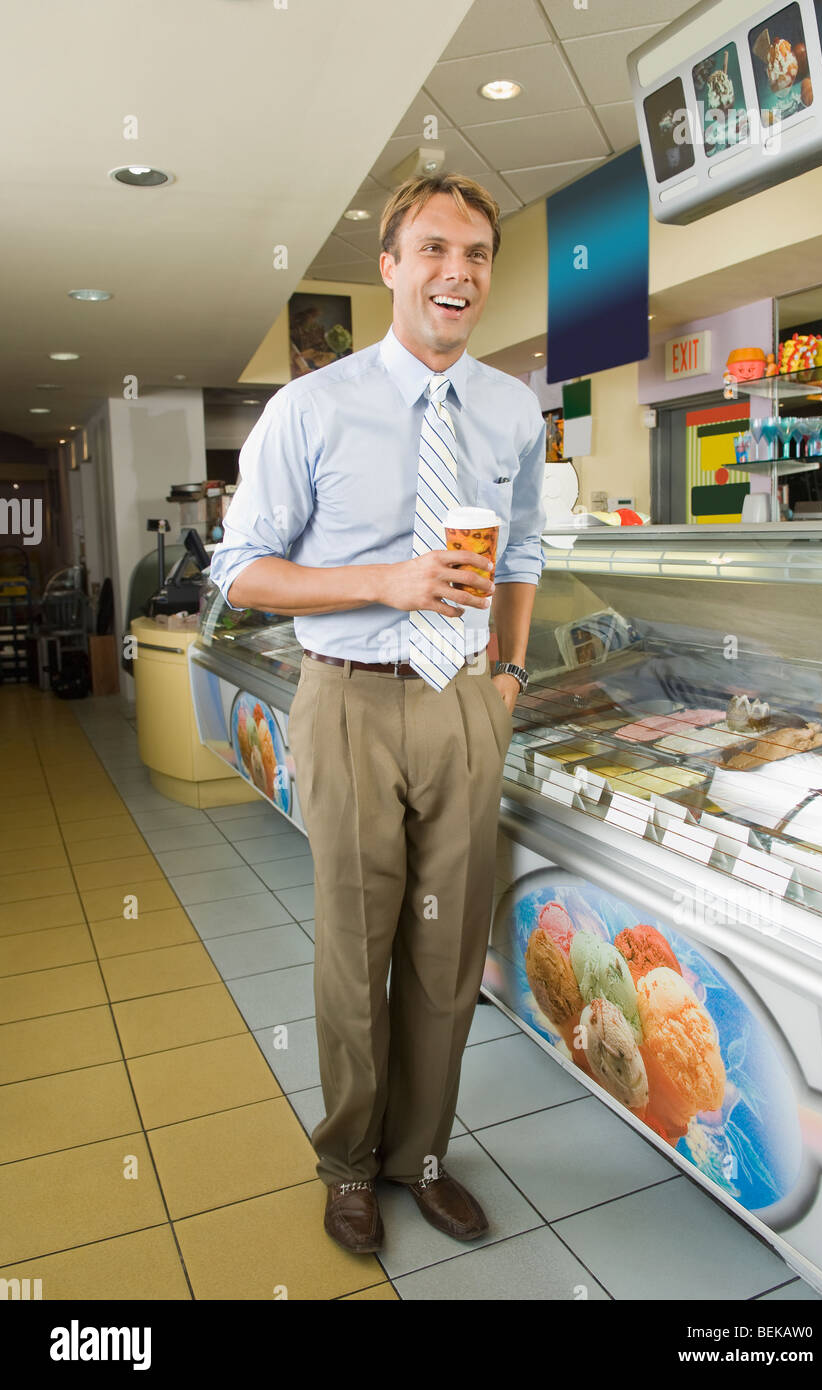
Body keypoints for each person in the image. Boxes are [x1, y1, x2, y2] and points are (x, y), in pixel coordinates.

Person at [210, 172, 546, 1253]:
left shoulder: (504, 407)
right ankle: (349, 1161)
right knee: (356, 950)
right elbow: (242, 574)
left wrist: (507, 677)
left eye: (477, 254)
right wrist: (384, 583)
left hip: (463, 705)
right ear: (391, 266)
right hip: (348, 701)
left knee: (448, 961)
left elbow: (526, 550)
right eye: (435, 249)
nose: (458, 271)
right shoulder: (309, 406)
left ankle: (423, 1154)